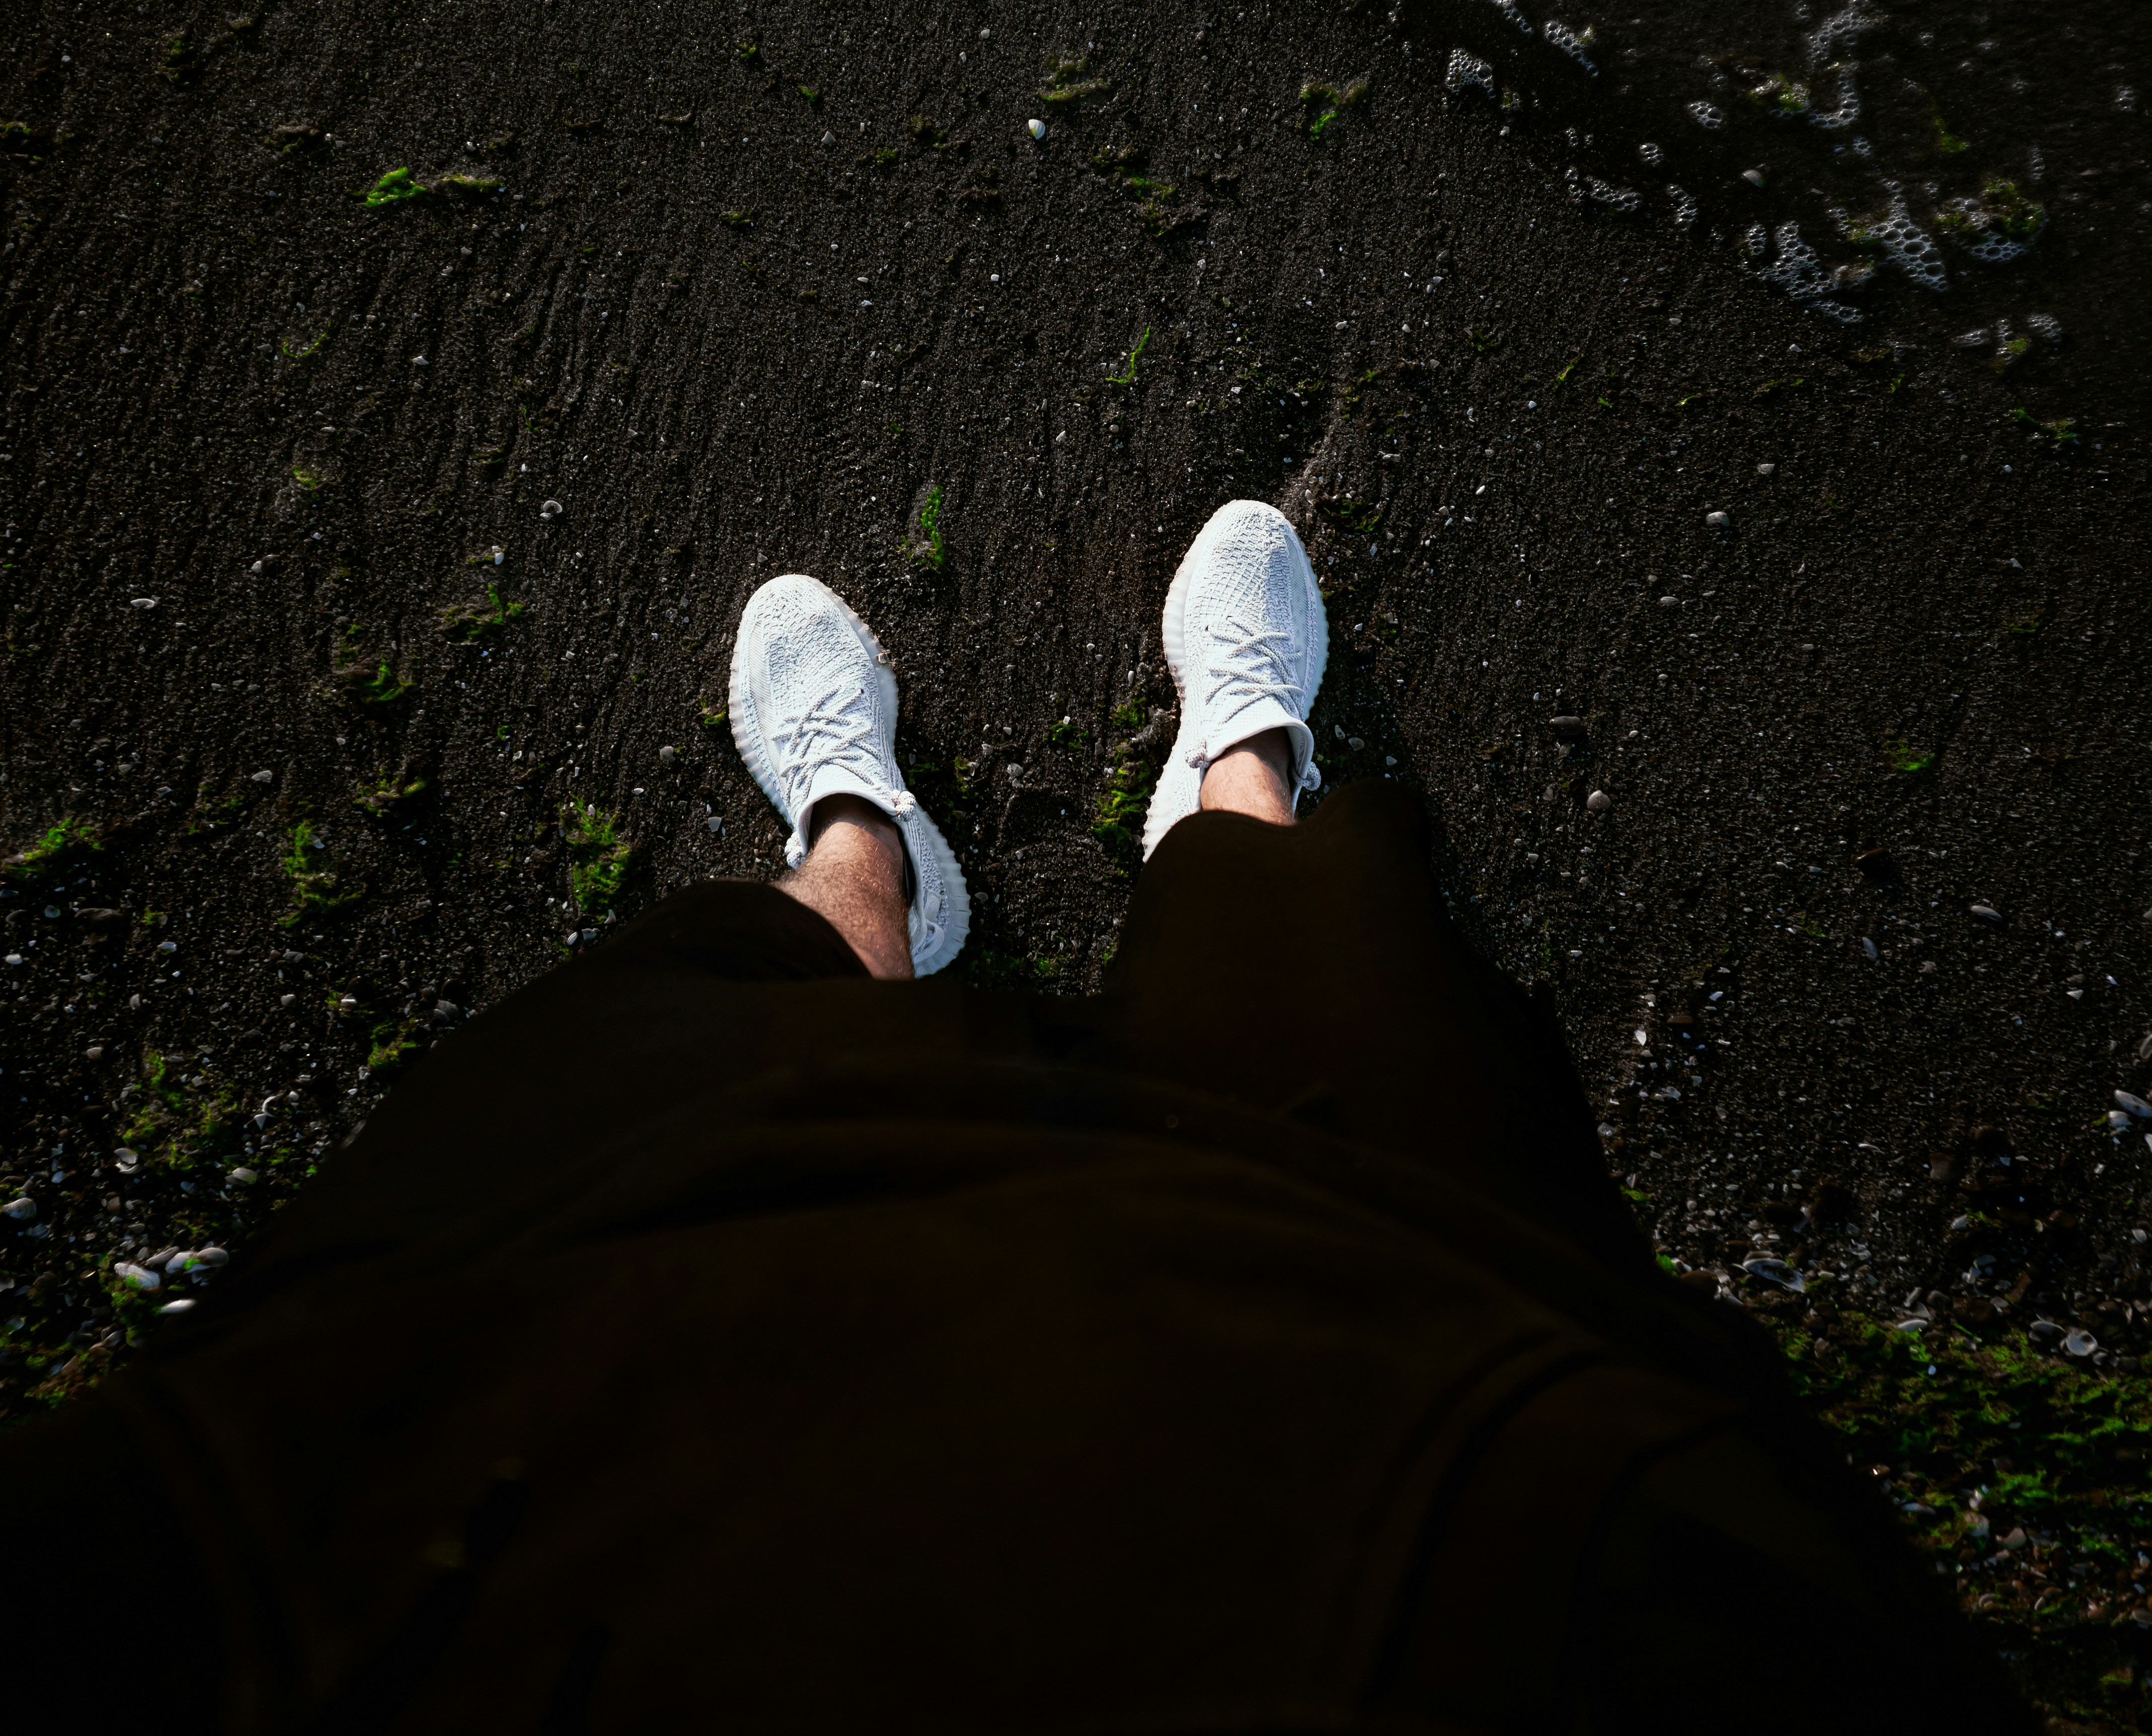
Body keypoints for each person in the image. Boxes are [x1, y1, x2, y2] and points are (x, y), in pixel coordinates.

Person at [2, 502, 2029, 1731]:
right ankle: (1234, 792)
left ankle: (865, 871)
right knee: (1370, 1091)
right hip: (1379, 1532)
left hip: (517, 1522)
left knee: (651, 1078)